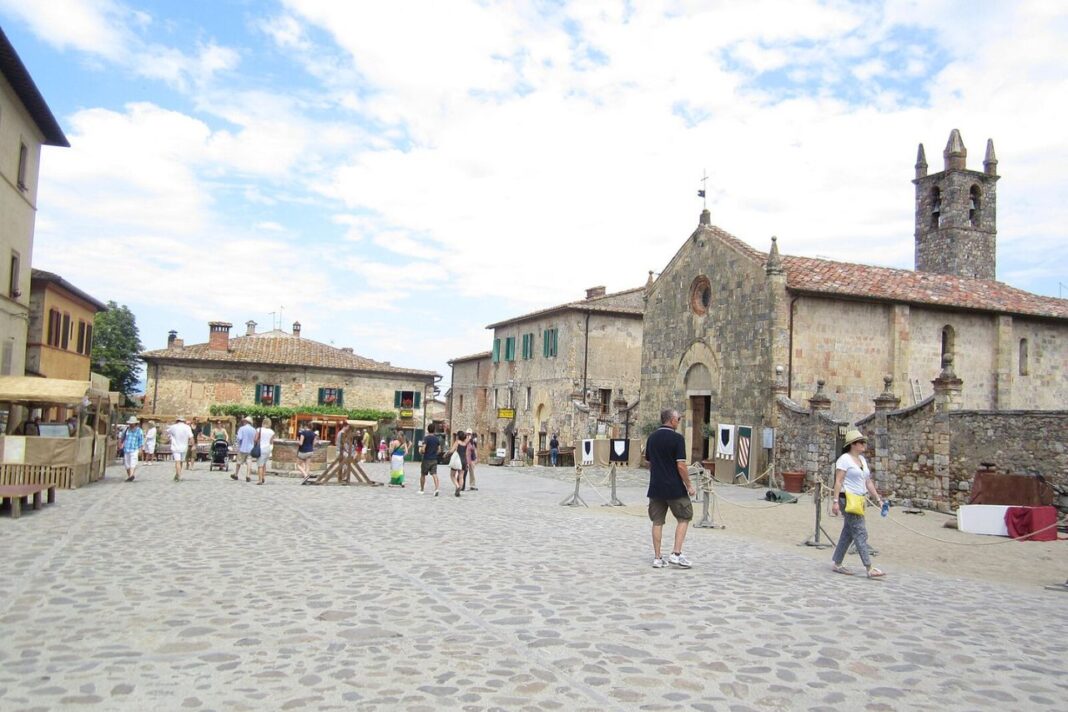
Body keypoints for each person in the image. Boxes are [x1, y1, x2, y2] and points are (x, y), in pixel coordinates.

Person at [831, 429, 886, 579]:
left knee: (848, 532)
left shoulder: (862, 460)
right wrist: (835, 501)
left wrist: (878, 499)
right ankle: (869, 567)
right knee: (860, 532)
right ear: (853, 444)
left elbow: (867, 481)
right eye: (861, 442)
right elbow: (839, 481)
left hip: (860, 499)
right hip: (847, 498)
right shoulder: (844, 459)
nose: (863, 444)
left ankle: (837, 562)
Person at [645, 408, 696, 568]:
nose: (679, 422)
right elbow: (681, 465)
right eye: (678, 419)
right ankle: (676, 553)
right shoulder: (677, 439)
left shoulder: (651, 438)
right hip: (674, 487)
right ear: (672, 420)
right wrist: (689, 485)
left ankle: (658, 557)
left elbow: (649, 461)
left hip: (656, 486)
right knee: (685, 516)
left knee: (657, 521)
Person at [166, 416, 195, 482]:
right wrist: (193, 445)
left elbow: (167, 432)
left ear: (177, 421)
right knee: (181, 461)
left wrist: (171, 437)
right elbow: (191, 437)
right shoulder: (187, 427)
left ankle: (178, 475)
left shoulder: (173, 427)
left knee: (177, 461)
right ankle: (178, 474)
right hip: (184, 447)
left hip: (175, 447)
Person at [418, 423, 442, 496]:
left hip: (426, 459)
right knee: (434, 474)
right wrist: (435, 453)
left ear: (428, 430)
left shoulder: (426, 438)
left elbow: (423, 449)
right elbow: (439, 450)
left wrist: (421, 450)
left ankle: (422, 490)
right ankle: (436, 489)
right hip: (434, 459)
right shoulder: (436, 439)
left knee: (423, 474)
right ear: (434, 430)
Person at [233, 416, 256, 482]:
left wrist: (238, 446)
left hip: (243, 447)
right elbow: (255, 439)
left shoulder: (241, 429)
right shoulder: (254, 430)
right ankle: (248, 475)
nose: (243, 422)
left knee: (239, 461)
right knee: (249, 462)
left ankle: (236, 474)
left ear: (246, 422)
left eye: (244, 421)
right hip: (251, 448)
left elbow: (239, 438)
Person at [446, 431, 468, 497]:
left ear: (458, 436)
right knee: (461, 476)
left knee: (452, 475)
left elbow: (451, 451)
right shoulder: (465, 443)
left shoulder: (457, 442)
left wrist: (446, 454)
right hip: (464, 460)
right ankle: (459, 490)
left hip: (457, 460)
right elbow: (466, 453)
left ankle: (457, 486)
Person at [254, 417, 275, 485]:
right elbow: (271, 442)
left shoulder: (259, 429)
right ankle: (263, 477)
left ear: (263, 422)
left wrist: (258, 441)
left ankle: (260, 480)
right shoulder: (272, 432)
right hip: (267, 449)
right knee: (264, 464)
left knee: (260, 465)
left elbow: (255, 439)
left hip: (261, 448)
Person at [122, 416, 143, 482]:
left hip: (134, 448)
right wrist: (120, 444)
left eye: (132, 423)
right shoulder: (126, 430)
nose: (131, 424)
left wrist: (140, 449)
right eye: (130, 423)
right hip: (126, 448)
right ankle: (130, 476)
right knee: (127, 464)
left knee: (133, 462)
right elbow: (122, 438)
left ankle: (131, 475)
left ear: (135, 423)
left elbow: (141, 440)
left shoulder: (139, 431)